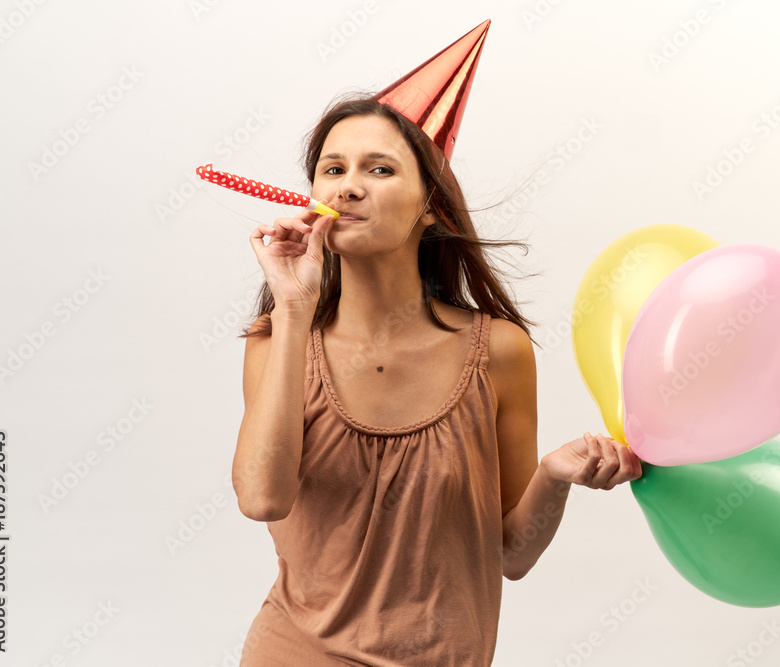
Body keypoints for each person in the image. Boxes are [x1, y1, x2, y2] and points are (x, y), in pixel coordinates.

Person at [230, 26, 642, 667]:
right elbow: (261, 498)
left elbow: (509, 553)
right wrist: (291, 304)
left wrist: (555, 477)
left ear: (431, 207)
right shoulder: (278, 342)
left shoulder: (499, 352)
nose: (348, 186)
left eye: (380, 169)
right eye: (332, 169)